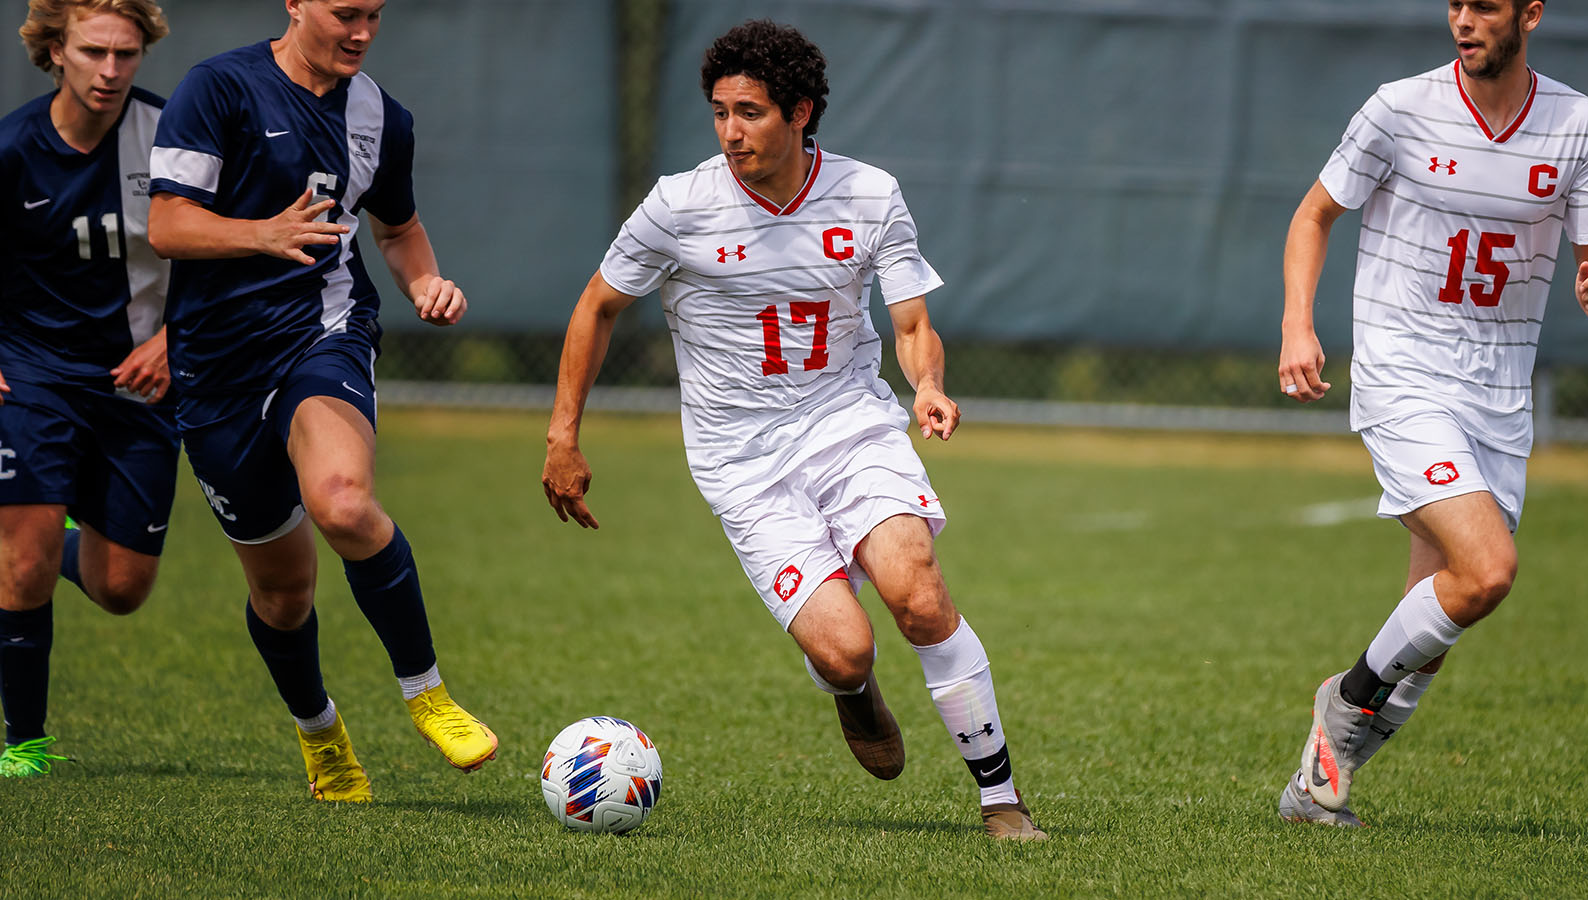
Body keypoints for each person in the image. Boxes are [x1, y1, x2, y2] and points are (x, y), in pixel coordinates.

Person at [543, 19, 1047, 841]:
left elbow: (913, 323)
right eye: (719, 112)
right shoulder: (678, 206)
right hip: (740, 458)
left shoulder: (871, 194)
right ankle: (854, 692)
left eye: (750, 112)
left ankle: (1001, 800)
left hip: (850, 421)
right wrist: (563, 437)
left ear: (801, 112)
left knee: (918, 595)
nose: (731, 132)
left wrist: (928, 387)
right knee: (846, 650)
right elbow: (597, 308)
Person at [146, 0, 496, 802]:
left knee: (341, 503)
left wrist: (426, 282)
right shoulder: (219, 88)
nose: (362, 32)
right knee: (282, 590)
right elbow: (167, 224)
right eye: (345, 13)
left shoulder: (380, 115)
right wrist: (258, 234)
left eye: (374, 15)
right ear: (296, 4)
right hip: (214, 368)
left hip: (323, 334)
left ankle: (428, 693)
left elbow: (398, 229)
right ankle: (321, 734)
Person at [1276, 0, 1588, 826]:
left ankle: (1317, 785)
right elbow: (1314, 215)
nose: (1463, 19)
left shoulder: (1580, 127)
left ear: (1530, 14)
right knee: (1488, 568)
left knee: (1447, 610)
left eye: (1484, 6)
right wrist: (1298, 323)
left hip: (1499, 392)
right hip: (1404, 371)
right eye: (1455, 4)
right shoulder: (1399, 107)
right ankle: (1342, 706)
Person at [0, 0, 177, 778]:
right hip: (33, 373)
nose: (110, 71)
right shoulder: (12, 148)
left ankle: (32, 540)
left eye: (126, 54)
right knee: (26, 562)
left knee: (122, 588)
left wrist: (173, 343)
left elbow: (219, 260)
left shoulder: (172, 138)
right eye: (94, 52)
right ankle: (24, 743)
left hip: (138, 383)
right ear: (56, 51)